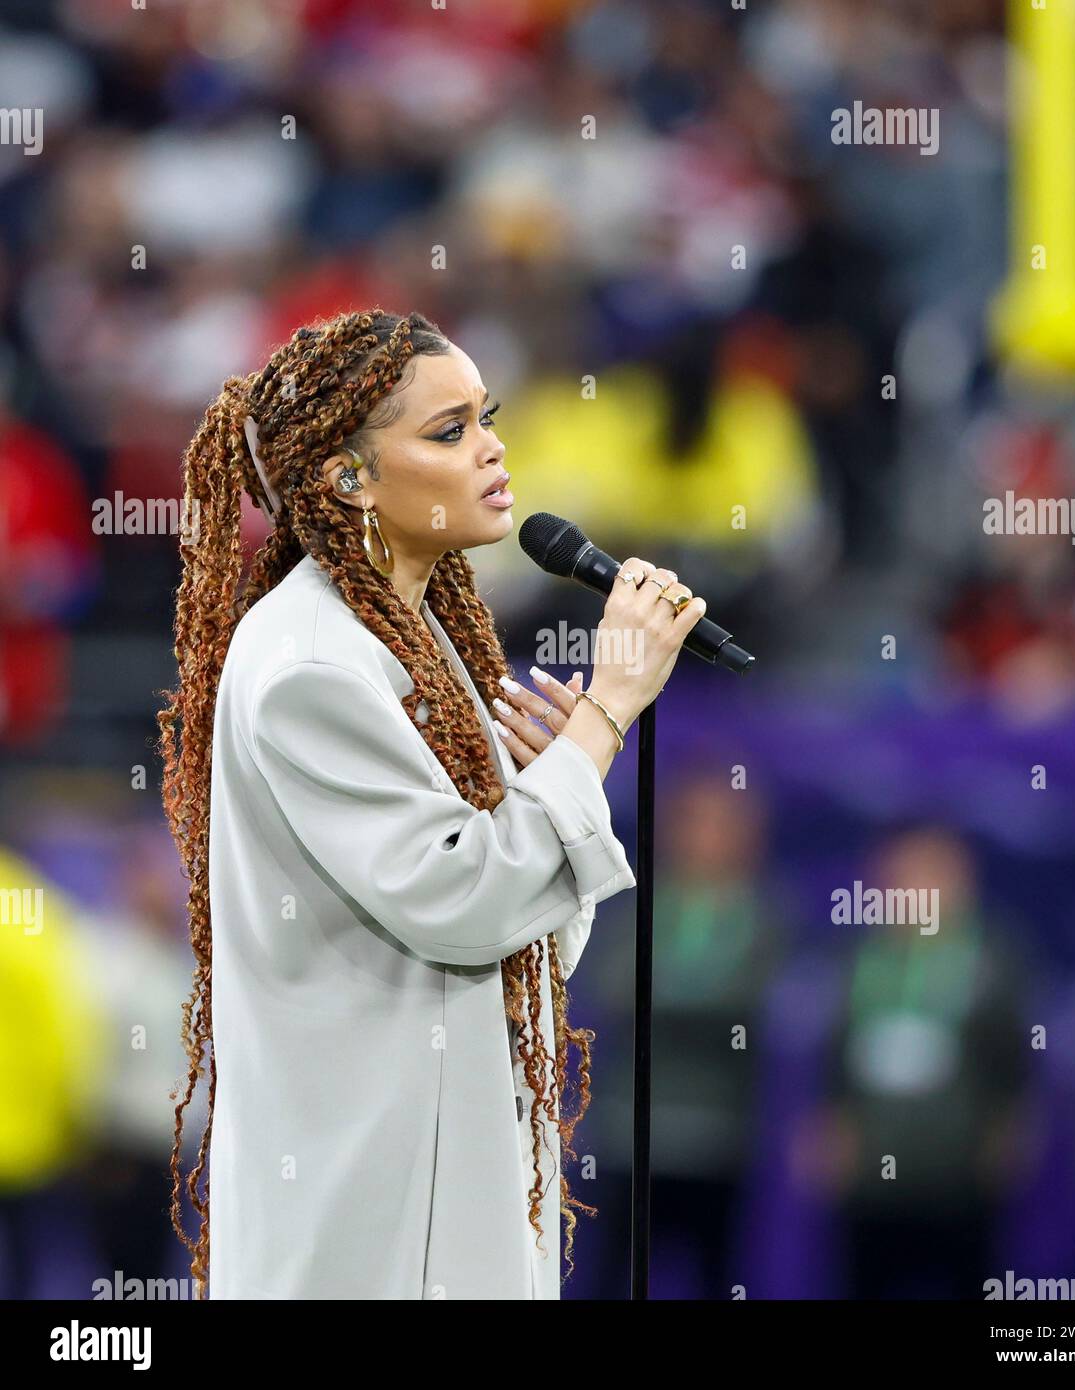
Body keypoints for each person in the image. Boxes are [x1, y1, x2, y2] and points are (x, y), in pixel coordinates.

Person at [156, 308, 708, 1300]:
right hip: (368, 1205)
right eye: (447, 431)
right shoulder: (310, 666)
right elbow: (462, 899)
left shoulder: (413, 636)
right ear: (347, 479)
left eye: (485, 417)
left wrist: (550, 790)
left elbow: (512, 933)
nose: (491, 446)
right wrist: (605, 711)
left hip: (435, 1169)